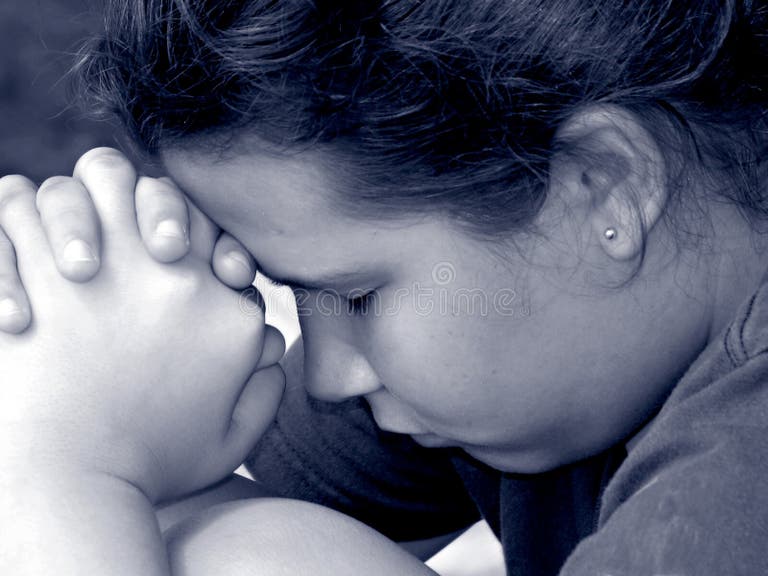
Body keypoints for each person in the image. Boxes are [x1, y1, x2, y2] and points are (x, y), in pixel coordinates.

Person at [2, 1, 768, 574]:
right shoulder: (515, 354)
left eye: (356, 295)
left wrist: (59, 476)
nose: (327, 376)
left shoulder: (735, 504)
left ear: (600, 188)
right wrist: (64, 333)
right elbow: (171, 514)